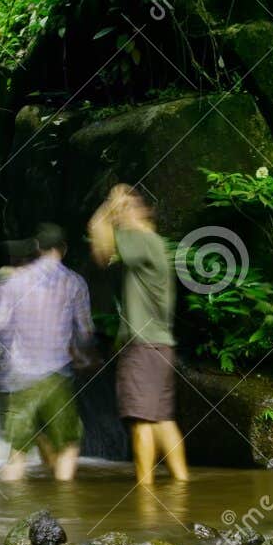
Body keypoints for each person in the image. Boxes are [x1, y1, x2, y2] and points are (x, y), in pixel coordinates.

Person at [88, 184, 189, 486]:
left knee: (141, 421)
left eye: (126, 209)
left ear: (141, 212)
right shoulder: (154, 244)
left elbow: (100, 244)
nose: (120, 216)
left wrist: (110, 205)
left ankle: (145, 492)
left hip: (143, 347)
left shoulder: (142, 241)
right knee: (163, 420)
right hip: (160, 346)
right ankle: (182, 484)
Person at [0, 223, 93, 481]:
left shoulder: (15, 281)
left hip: (20, 377)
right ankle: (64, 498)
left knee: (17, 454)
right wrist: (83, 355)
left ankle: (10, 502)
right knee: (68, 446)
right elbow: (85, 332)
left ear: (38, 248)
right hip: (56, 376)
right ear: (63, 249)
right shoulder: (74, 282)